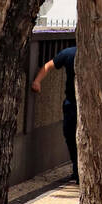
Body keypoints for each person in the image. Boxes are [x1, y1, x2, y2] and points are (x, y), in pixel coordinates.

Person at [31, 43, 78, 183]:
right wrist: (37, 81)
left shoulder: (98, 54)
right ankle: (77, 169)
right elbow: (48, 65)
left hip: (92, 104)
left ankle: (81, 171)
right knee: (70, 136)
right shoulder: (69, 53)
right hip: (72, 102)